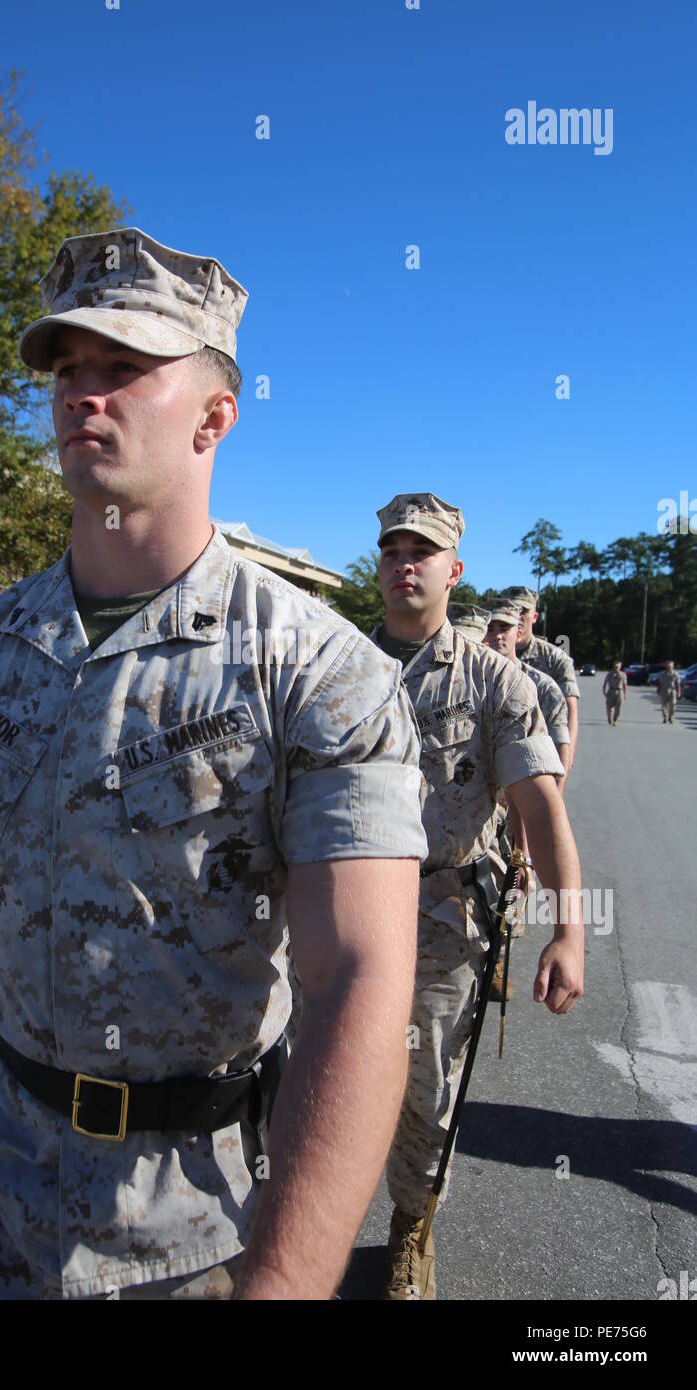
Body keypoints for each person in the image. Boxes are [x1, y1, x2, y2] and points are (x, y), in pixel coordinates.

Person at [0, 227, 428, 1301]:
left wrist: (287, 1281)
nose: (83, 395)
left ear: (215, 415)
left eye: (122, 368)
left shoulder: (315, 671)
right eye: (66, 371)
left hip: (182, 1211)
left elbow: (356, 981)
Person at [370, 493, 585, 1301]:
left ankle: (410, 1232)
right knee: (316, 1078)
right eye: (392, 550)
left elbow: (541, 806)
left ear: (453, 571)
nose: (404, 563)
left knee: (425, 1092)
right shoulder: (340, 664)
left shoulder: (497, 680)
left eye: (421, 551)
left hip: (441, 922)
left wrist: (572, 932)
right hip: (334, 919)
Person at [484, 600, 571, 780]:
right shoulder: (471, 683)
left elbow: (560, 745)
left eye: (504, 628)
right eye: (490, 628)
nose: (497, 636)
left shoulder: (543, 688)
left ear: (519, 634)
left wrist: (557, 795)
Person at [500, 585, 581, 774]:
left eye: (523, 611)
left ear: (535, 616)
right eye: (511, 609)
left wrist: (566, 759)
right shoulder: (487, 655)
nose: (517, 616)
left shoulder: (555, 659)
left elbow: (570, 712)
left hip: (541, 757)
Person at [602, 662, 627, 726]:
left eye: (617, 667)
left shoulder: (623, 675)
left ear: (620, 667)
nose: (616, 668)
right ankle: (609, 717)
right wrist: (604, 692)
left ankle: (615, 720)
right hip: (611, 691)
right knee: (609, 707)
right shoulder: (610, 674)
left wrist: (625, 694)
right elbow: (605, 683)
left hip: (619, 692)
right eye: (615, 667)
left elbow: (624, 685)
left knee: (618, 708)